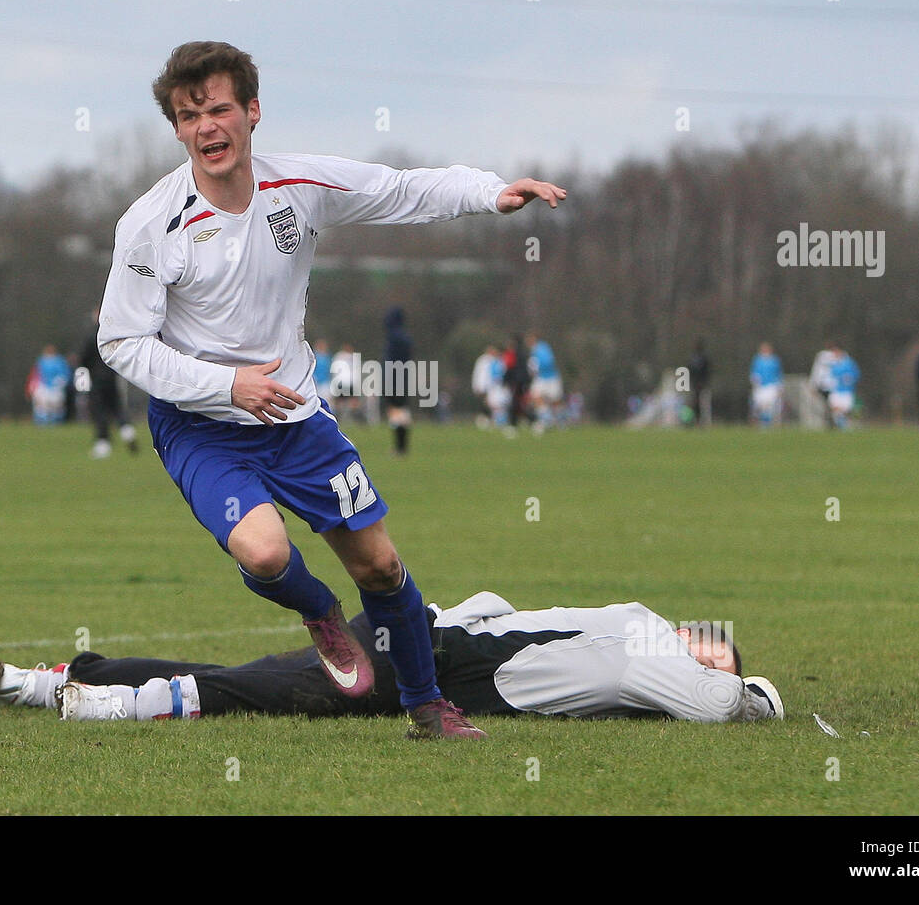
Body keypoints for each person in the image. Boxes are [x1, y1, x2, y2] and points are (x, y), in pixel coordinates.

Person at [94, 41, 566, 740]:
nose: (206, 127)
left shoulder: (300, 187)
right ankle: (319, 612)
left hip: (294, 418)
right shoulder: (148, 225)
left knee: (379, 565)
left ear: (253, 112)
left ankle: (427, 707)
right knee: (265, 552)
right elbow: (121, 342)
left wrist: (488, 194)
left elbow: (399, 190)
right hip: (200, 425)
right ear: (176, 128)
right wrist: (227, 385)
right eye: (189, 115)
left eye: (219, 108)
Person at [0, 590, 783, 725]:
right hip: (418, 659)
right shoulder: (641, 642)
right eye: (711, 647)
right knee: (258, 690)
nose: (706, 654)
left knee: (252, 678)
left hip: (415, 630)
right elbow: (713, 702)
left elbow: (496, 603)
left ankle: (63, 679)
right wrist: (756, 694)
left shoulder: (624, 625)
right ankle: (97, 700)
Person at [75, 308, 138, 459]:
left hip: (97, 381)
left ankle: (103, 443)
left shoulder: (92, 337)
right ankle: (127, 432)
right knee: (116, 407)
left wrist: (81, 386)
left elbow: (83, 362)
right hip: (113, 377)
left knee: (99, 410)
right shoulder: (115, 336)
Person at [383, 306, 412, 456]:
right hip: (404, 377)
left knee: (395, 411)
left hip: (394, 378)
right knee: (402, 410)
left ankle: (399, 446)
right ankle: (402, 446)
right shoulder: (406, 338)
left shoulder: (393, 338)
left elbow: (390, 361)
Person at [527, 333, 563, 432]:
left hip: (550, 377)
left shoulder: (542, 348)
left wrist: (536, 367)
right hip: (541, 378)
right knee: (536, 396)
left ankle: (560, 421)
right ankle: (546, 419)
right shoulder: (534, 350)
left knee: (555, 400)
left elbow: (548, 362)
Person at [30, 344, 71, 425]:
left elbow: (65, 373)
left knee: (56, 405)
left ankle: (56, 421)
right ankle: (42, 422)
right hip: (44, 386)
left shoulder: (59, 361)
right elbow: (37, 373)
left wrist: (61, 381)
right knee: (42, 405)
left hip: (56, 386)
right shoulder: (41, 361)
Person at [749, 342, 783, 426]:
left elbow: (778, 374)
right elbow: (754, 373)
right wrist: (755, 382)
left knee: (769, 405)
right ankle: (760, 422)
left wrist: (779, 386)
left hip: (771, 386)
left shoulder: (775, 360)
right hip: (760, 387)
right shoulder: (757, 360)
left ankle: (767, 423)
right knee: (759, 405)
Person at [826, 347, 860, 430]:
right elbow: (831, 376)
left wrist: (850, 379)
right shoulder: (833, 364)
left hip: (846, 391)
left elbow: (856, 375)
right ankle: (842, 425)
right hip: (836, 390)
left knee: (844, 409)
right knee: (835, 408)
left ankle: (845, 424)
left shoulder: (849, 363)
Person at [808, 341, 837, 427]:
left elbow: (816, 371)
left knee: (828, 405)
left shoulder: (821, 356)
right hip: (832, 385)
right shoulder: (837, 356)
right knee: (830, 405)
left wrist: (813, 384)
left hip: (824, 385)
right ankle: (831, 421)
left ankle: (830, 420)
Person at [687, 339, 711, 426]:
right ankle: (698, 421)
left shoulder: (693, 359)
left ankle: (697, 421)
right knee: (700, 404)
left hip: (696, 384)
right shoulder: (703, 359)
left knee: (697, 403)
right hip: (699, 384)